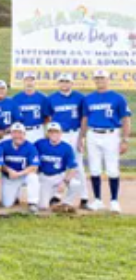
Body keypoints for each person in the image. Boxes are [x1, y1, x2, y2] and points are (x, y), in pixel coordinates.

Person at [80, 70, 130, 213]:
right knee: (94, 168)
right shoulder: (88, 98)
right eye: (97, 78)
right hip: (93, 134)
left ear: (108, 79)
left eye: (102, 78)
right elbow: (84, 119)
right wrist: (81, 137)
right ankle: (97, 200)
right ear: (94, 80)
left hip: (111, 134)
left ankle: (114, 201)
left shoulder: (118, 98)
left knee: (112, 169)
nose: (100, 81)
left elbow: (126, 119)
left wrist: (125, 140)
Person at [48, 73, 89, 209]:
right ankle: (57, 195)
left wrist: (82, 137)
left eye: (67, 81)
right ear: (58, 83)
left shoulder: (79, 97)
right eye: (62, 81)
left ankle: (84, 197)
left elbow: (84, 118)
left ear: (72, 83)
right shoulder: (52, 98)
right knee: (59, 164)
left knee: (78, 166)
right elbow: (48, 117)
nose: (64, 84)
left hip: (75, 132)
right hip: (59, 134)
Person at [36, 122, 82, 213]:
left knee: (76, 184)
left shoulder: (66, 147)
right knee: (43, 206)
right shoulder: (40, 144)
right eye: (51, 132)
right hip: (44, 177)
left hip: (59, 176)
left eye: (56, 132)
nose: (54, 134)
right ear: (47, 133)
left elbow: (73, 168)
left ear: (61, 133)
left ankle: (66, 204)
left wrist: (65, 182)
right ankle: (55, 198)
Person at [0, 122, 41, 213]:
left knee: (33, 177)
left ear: (24, 134)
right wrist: (8, 170)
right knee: (7, 204)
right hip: (10, 177)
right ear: (11, 134)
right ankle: (16, 194)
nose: (18, 136)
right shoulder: (3, 145)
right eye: (15, 133)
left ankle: (33, 203)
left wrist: (19, 174)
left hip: (24, 175)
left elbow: (34, 167)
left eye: (20, 133)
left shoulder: (30, 147)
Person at [11, 72, 51, 143]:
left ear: (35, 82)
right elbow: (14, 118)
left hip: (38, 130)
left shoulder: (43, 97)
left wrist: (46, 131)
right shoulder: (16, 98)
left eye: (31, 80)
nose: (29, 83)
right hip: (22, 131)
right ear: (23, 82)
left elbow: (47, 117)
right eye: (27, 80)